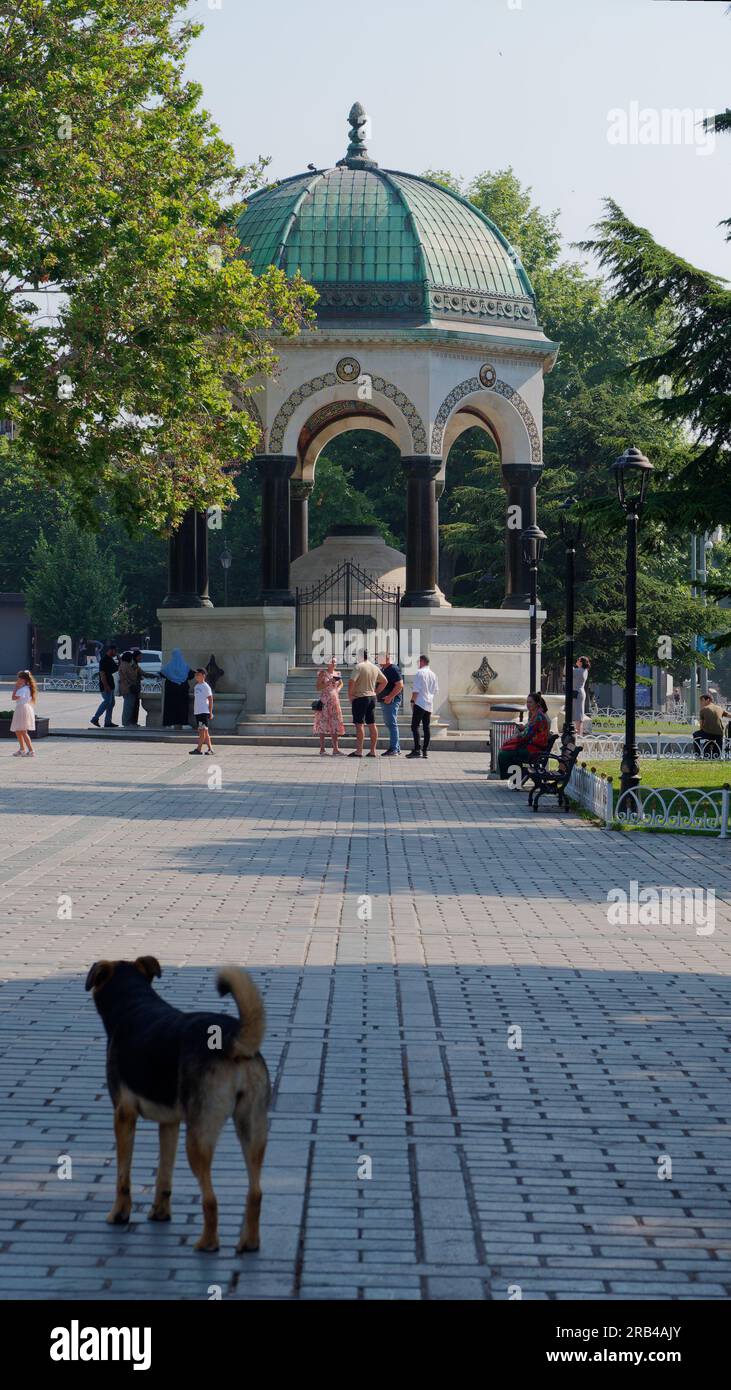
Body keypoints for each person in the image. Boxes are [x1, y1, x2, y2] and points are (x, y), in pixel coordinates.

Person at [497, 692, 551, 779]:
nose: (528, 704)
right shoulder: (536, 714)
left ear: (537, 704)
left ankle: (512, 777)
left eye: (530, 702)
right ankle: (515, 776)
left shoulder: (538, 716)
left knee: (504, 754)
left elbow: (526, 736)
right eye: (527, 702)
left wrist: (512, 738)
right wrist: (522, 729)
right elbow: (529, 731)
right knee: (506, 750)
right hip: (532, 747)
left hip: (534, 750)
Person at [347, 653, 386, 757]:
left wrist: (350, 695)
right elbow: (384, 681)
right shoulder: (375, 667)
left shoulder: (358, 666)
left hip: (360, 697)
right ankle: (373, 751)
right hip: (372, 698)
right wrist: (376, 692)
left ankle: (359, 751)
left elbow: (351, 681)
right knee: (372, 724)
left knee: (359, 724)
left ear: (360, 657)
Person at [406, 655, 438, 760]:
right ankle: (425, 750)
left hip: (420, 703)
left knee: (414, 726)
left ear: (422, 661)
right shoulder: (433, 674)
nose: (417, 664)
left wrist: (412, 701)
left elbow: (416, 690)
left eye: (418, 662)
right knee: (426, 727)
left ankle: (417, 749)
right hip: (429, 703)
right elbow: (435, 691)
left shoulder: (420, 673)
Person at [313, 657, 346, 756]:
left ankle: (335, 749)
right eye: (332, 662)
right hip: (325, 701)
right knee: (323, 723)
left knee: (335, 724)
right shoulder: (323, 673)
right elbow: (318, 687)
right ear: (328, 663)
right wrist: (328, 683)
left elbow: (341, 683)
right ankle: (322, 749)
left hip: (335, 701)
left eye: (335, 662)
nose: (334, 663)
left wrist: (338, 689)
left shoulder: (338, 673)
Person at [377, 652, 404, 756]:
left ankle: (394, 749)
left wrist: (390, 697)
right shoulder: (384, 669)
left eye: (379, 659)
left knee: (392, 724)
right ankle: (396, 748)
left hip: (391, 701)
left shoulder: (393, 669)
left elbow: (400, 685)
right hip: (386, 700)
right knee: (390, 724)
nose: (378, 661)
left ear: (386, 659)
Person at [161, 648, 194, 727]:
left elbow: (162, 673)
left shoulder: (169, 666)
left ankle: (169, 724)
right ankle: (183, 723)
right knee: (182, 707)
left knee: (171, 707)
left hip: (171, 691)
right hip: (182, 690)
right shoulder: (185, 666)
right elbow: (191, 675)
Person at [693, 693, 731, 758]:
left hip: (708, 733)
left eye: (702, 701)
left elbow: (701, 726)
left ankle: (697, 755)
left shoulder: (703, 709)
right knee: (719, 739)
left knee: (695, 735)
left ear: (708, 700)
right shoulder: (720, 708)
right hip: (719, 734)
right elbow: (729, 715)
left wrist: (703, 730)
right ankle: (718, 755)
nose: (701, 703)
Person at [90, 644, 118, 728]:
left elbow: (117, 669)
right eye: (115, 651)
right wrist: (106, 685)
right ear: (111, 650)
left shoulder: (110, 660)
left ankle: (108, 722)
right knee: (107, 702)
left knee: (111, 703)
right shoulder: (104, 660)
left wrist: (119, 659)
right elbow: (102, 674)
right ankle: (95, 718)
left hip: (110, 685)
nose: (116, 653)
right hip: (106, 685)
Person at [10, 669, 37, 756]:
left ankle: (31, 750)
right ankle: (22, 749)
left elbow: (14, 698)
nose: (17, 680)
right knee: (18, 730)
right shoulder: (26, 688)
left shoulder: (23, 689)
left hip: (22, 709)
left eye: (19, 678)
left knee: (23, 731)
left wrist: (16, 688)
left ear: (23, 680)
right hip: (23, 708)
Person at [190, 668, 214, 755]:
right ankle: (210, 749)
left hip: (204, 712)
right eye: (196, 675)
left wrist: (210, 712)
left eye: (198, 675)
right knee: (204, 731)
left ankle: (199, 749)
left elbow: (210, 699)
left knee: (202, 731)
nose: (196, 677)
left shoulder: (206, 686)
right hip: (198, 712)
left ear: (203, 675)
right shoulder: (196, 686)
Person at [118, 651, 138, 728]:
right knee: (128, 706)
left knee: (127, 705)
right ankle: (126, 722)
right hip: (128, 687)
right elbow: (133, 676)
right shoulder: (127, 666)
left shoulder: (122, 664)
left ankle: (125, 722)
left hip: (124, 687)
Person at [573, 656, 590, 735]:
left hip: (577, 693)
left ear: (581, 662)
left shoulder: (578, 671)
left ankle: (578, 733)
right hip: (581, 692)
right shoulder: (584, 670)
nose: (577, 661)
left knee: (578, 714)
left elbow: (565, 672)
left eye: (578, 660)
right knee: (579, 713)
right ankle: (579, 733)